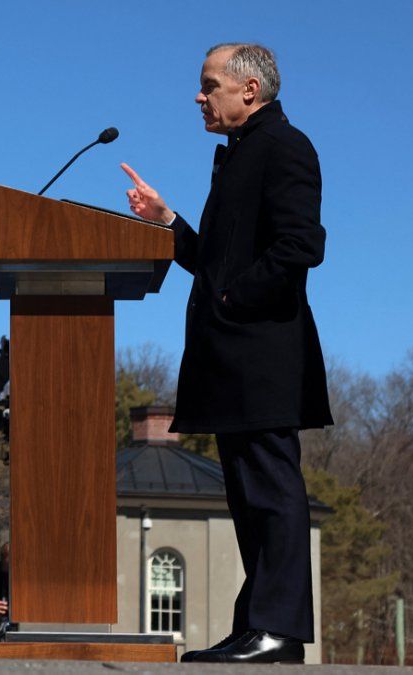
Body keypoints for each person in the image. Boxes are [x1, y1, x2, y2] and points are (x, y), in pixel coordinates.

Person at [121, 43, 331, 664]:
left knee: (272, 490)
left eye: (209, 84)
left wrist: (234, 301)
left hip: (264, 352)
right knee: (246, 496)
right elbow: (215, 262)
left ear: (249, 90)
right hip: (231, 356)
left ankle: (280, 631)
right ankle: (255, 626)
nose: (199, 95)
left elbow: (301, 247)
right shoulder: (240, 155)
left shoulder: (285, 146)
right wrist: (168, 223)